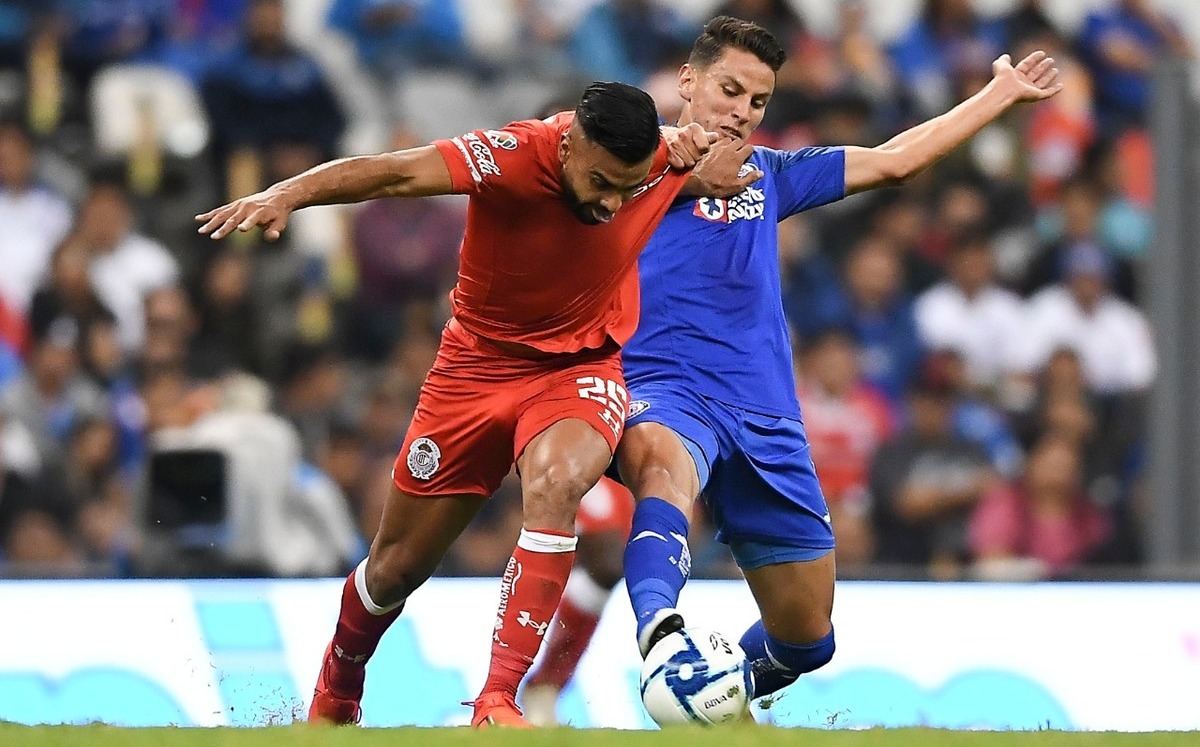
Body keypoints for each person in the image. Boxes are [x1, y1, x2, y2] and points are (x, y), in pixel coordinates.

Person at [521, 15, 1062, 721]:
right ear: (686, 81)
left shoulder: (768, 174)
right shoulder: (621, 169)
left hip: (768, 416)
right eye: (728, 89)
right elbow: (548, 191)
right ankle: (662, 636)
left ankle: (716, 700)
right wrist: (677, 177)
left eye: (758, 101)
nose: (741, 111)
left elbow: (894, 159)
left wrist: (997, 97)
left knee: (808, 637)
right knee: (663, 465)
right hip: (664, 390)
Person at [197, 81, 755, 728]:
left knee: (559, 481)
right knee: (394, 567)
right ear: (571, 142)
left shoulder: (657, 157)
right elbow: (396, 174)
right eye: (600, 181)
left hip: (579, 366)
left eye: (624, 190)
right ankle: (337, 692)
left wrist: (712, 161)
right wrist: (287, 192)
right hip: (473, 370)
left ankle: (497, 700)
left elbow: (690, 167)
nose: (610, 202)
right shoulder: (512, 154)